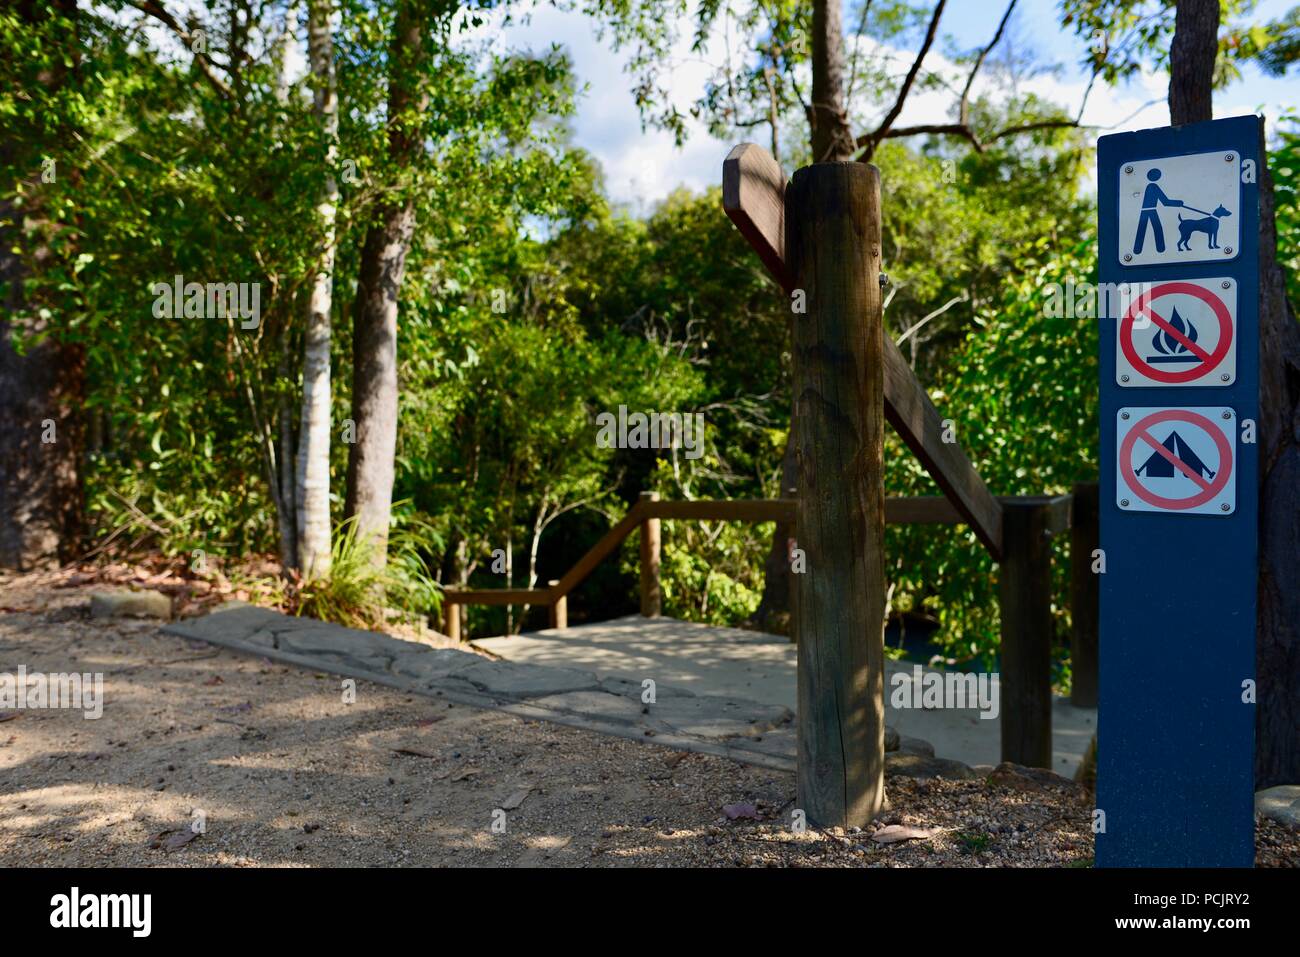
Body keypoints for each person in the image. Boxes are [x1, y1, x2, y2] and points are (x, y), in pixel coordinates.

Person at [1134, 168, 1183, 255]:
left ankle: (1138, 250)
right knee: (1156, 228)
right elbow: (1165, 202)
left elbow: (1164, 202)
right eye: (1158, 175)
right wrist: (1178, 203)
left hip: (1146, 211)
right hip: (1150, 210)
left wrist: (1178, 203)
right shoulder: (1153, 187)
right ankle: (1160, 249)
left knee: (1143, 229)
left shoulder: (1151, 186)